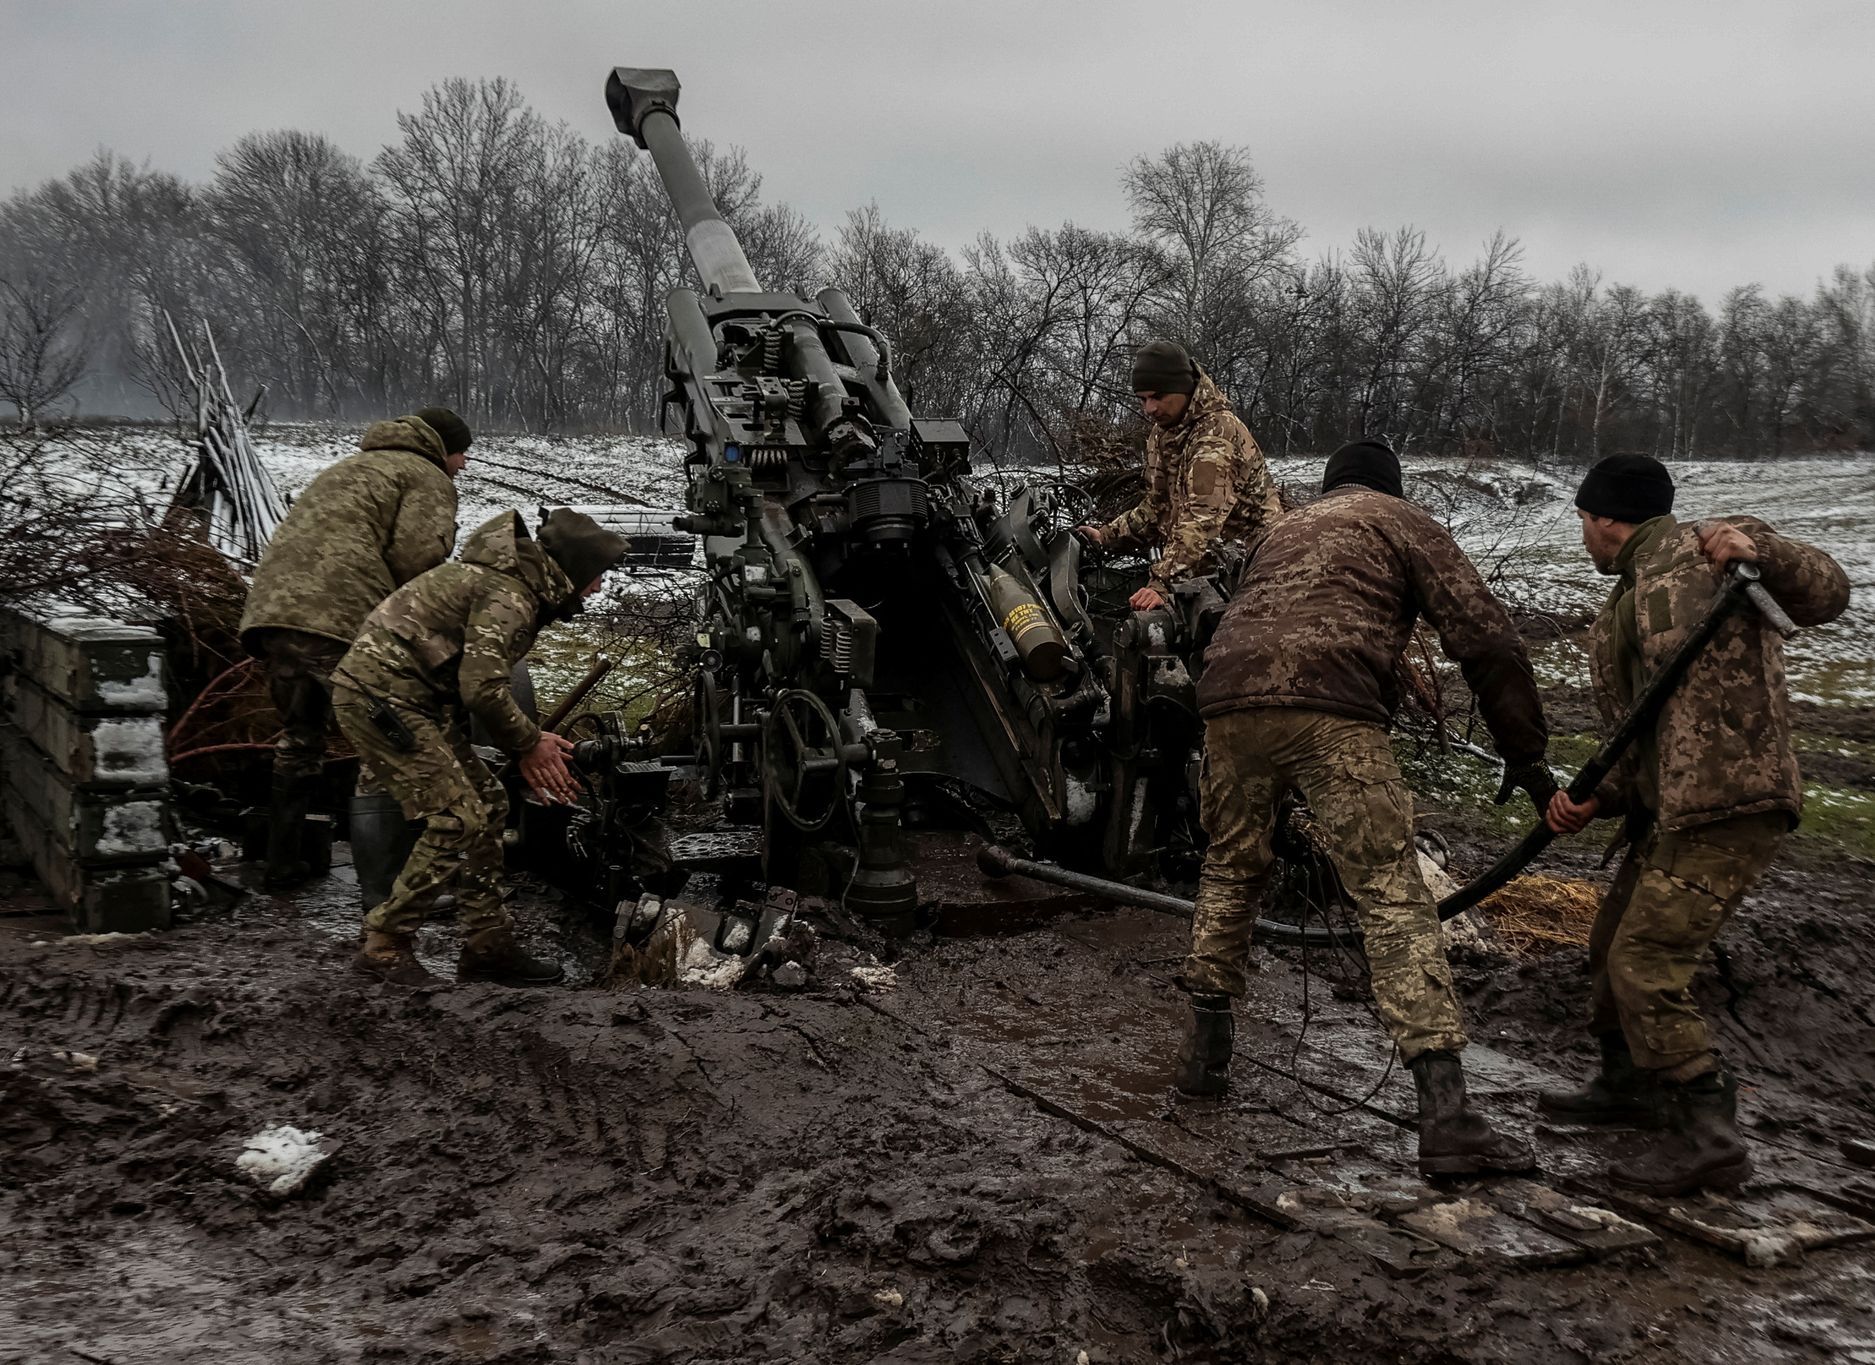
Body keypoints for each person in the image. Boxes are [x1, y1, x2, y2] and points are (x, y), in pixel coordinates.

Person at [1177, 439, 1556, 1177]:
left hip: (1226, 703)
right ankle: (1447, 1116)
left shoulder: (1279, 530)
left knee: (1229, 869)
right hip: (1332, 713)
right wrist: (1525, 753)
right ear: (1393, 484)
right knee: (1388, 892)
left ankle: (1202, 1061)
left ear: (1328, 485)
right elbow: (1485, 639)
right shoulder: (1402, 521)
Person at [1541, 454, 1850, 1194]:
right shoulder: (1621, 603)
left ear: (1606, 518)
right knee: (1610, 942)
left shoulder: (1713, 548)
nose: (1582, 535)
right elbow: (1638, 733)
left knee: (1645, 963)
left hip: (1729, 802)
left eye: (1583, 520)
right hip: (1666, 809)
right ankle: (1628, 1086)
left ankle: (1707, 1132)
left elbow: (1829, 592)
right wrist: (1595, 797)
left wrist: (1763, 552)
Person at [332, 508, 629, 988]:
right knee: (457, 817)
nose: (597, 589)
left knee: (489, 803)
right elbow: (484, 690)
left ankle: (486, 945)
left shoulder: (513, 585)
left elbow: (477, 684)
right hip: (382, 699)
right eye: (596, 577)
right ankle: (384, 945)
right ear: (573, 571)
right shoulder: (510, 595)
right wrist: (528, 744)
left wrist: (530, 740)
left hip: (415, 699)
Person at [238, 408, 470, 890]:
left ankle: (282, 864)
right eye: (462, 453)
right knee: (388, 741)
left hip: (272, 615)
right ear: (442, 448)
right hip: (341, 621)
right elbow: (417, 561)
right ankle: (388, 891)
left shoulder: (347, 467)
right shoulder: (424, 475)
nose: (464, 465)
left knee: (300, 738)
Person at [1076, 340, 1281, 612]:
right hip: (1206, 569)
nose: (1149, 408)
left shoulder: (1217, 437)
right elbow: (1158, 506)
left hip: (1254, 569)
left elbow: (1201, 521)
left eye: (1158, 396)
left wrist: (1162, 583)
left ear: (1183, 389)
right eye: (1143, 399)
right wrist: (1106, 536)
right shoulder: (1164, 433)